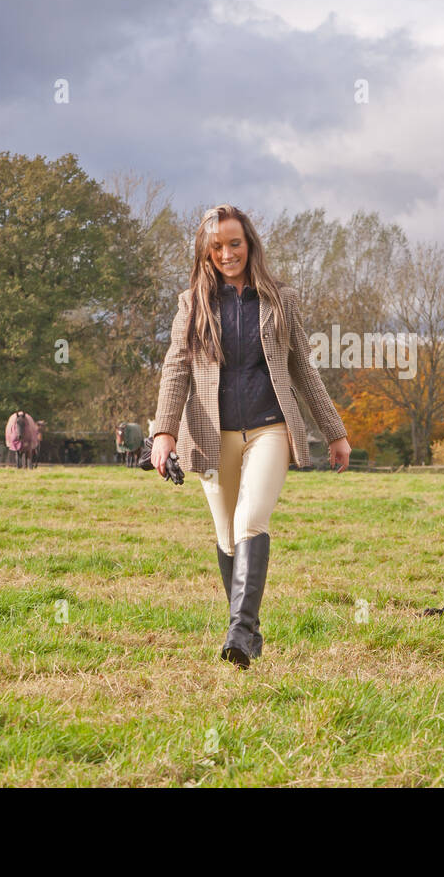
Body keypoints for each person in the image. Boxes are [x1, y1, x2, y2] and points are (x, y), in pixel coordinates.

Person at [149, 204, 351, 668]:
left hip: (269, 429)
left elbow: (302, 366)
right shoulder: (192, 303)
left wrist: (334, 431)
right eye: (216, 246)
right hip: (211, 435)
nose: (226, 253)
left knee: (249, 522)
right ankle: (248, 633)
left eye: (234, 243)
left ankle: (238, 634)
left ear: (250, 243)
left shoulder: (279, 298)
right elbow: (176, 369)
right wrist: (163, 432)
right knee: (226, 537)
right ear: (205, 251)